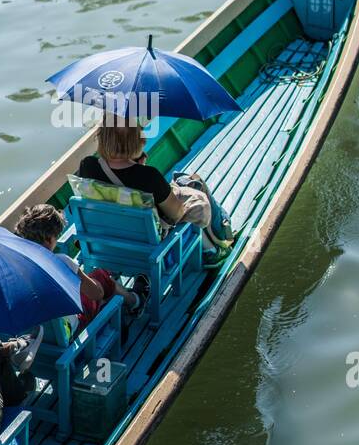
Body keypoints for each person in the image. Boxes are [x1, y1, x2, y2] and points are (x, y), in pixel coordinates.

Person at [77, 123, 232, 256]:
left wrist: (137, 168)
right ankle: (212, 247)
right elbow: (177, 214)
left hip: (110, 240)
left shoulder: (87, 166)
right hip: (150, 244)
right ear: (136, 142)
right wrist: (140, 171)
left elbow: (119, 182)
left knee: (185, 184)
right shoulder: (149, 177)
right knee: (196, 191)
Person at [14, 202, 142, 331]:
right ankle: (135, 302)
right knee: (100, 277)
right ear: (48, 239)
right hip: (72, 328)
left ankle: (113, 302)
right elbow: (96, 293)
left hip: (43, 335)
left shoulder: (16, 268)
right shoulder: (60, 262)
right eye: (56, 236)